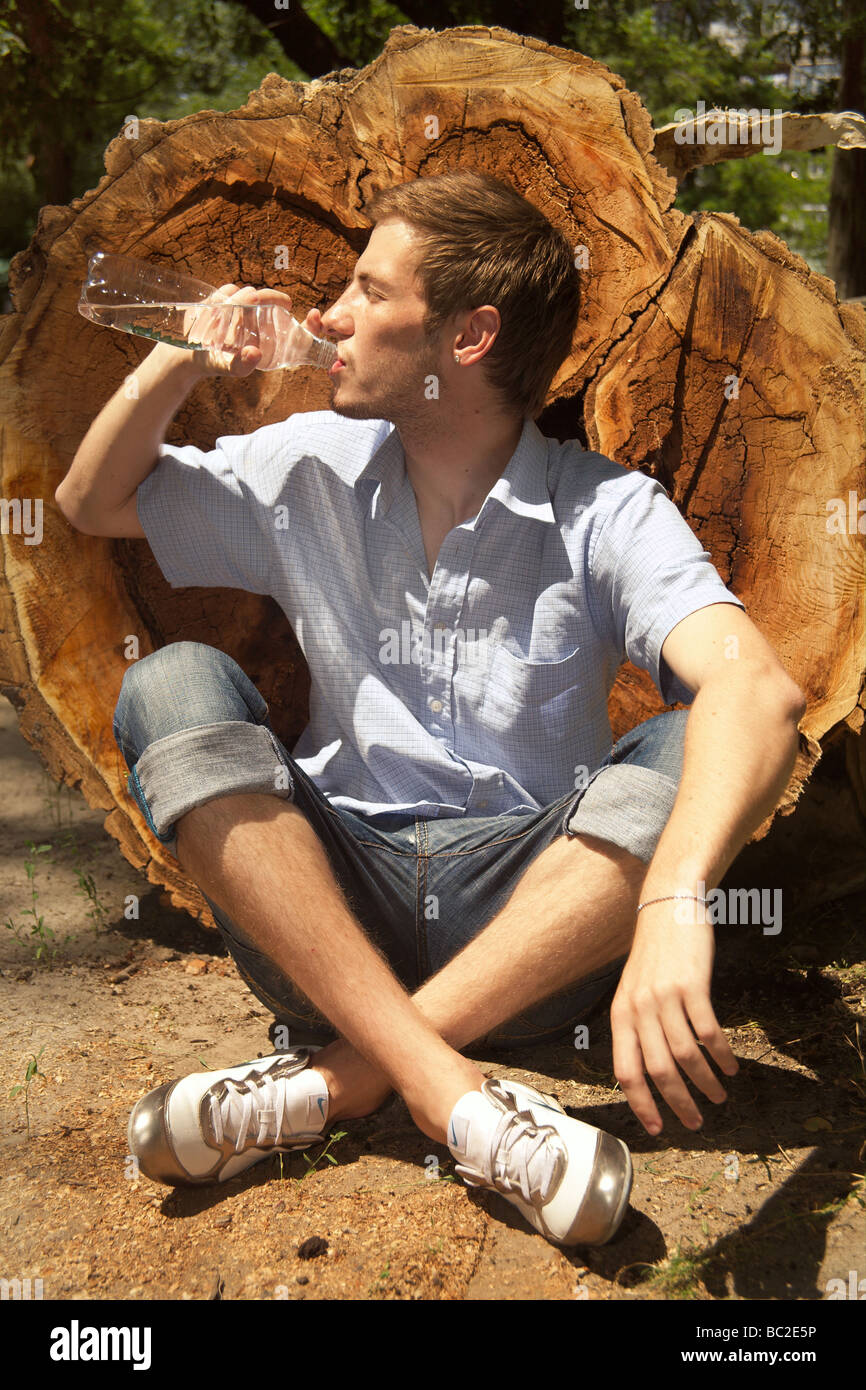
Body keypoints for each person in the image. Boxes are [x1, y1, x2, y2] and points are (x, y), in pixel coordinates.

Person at [55, 170, 805, 1249]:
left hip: (530, 933)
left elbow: (755, 686)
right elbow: (93, 502)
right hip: (330, 905)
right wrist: (182, 350)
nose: (327, 317)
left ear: (466, 337)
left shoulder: (604, 510)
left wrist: (675, 900)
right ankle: (449, 1092)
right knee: (168, 681)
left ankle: (342, 1079)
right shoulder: (304, 463)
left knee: (696, 739)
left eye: (367, 289)